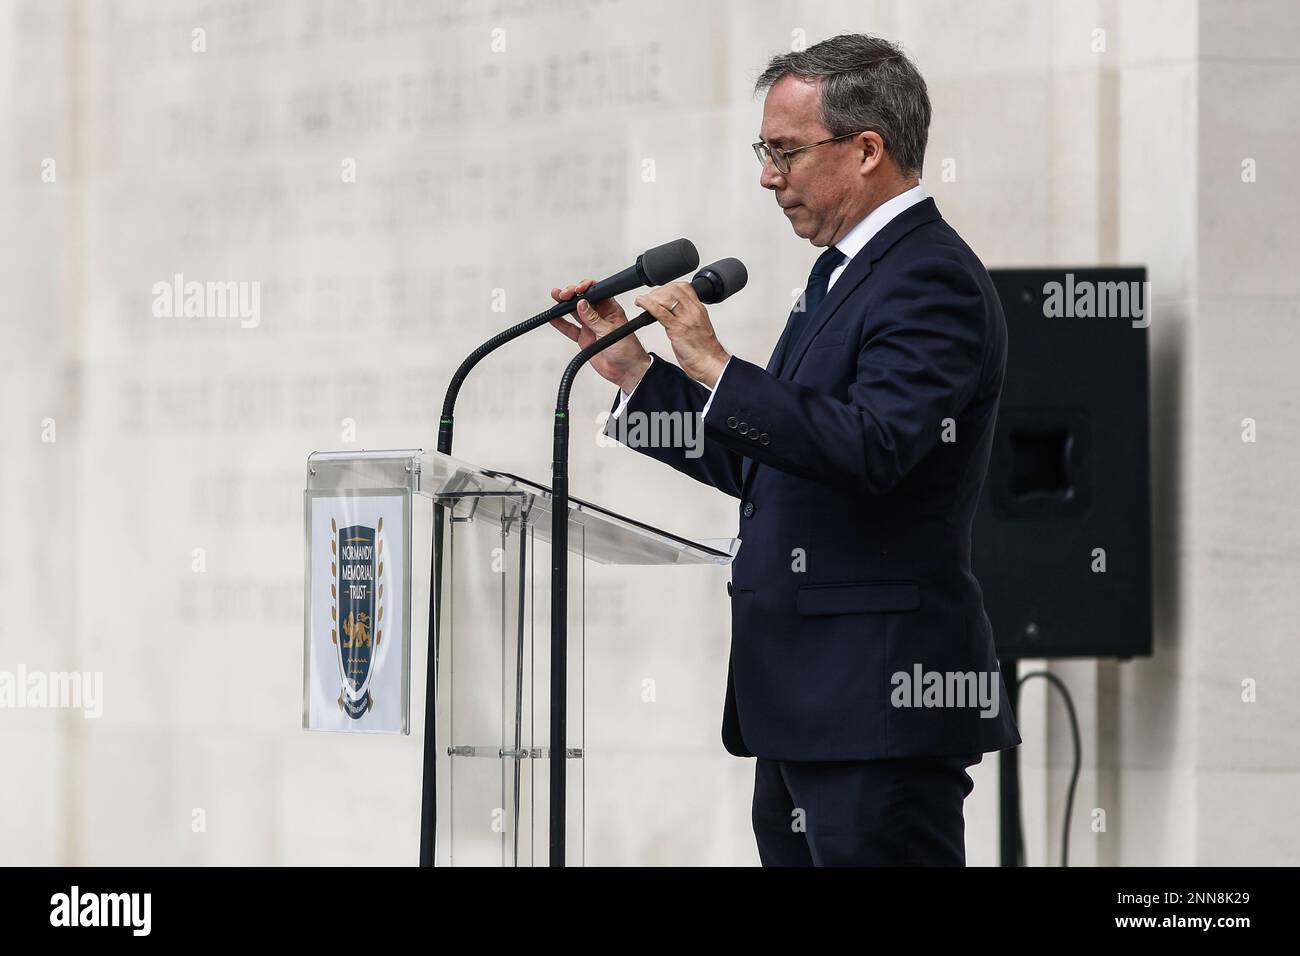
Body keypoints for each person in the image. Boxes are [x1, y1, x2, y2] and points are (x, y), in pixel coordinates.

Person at [549, 33, 1020, 866]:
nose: (769, 176)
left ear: (866, 150)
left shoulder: (929, 277)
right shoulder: (844, 273)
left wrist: (718, 365)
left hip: (879, 700)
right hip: (808, 702)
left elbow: (875, 447)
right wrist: (637, 373)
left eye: (786, 151)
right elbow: (771, 461)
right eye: (763, 151)